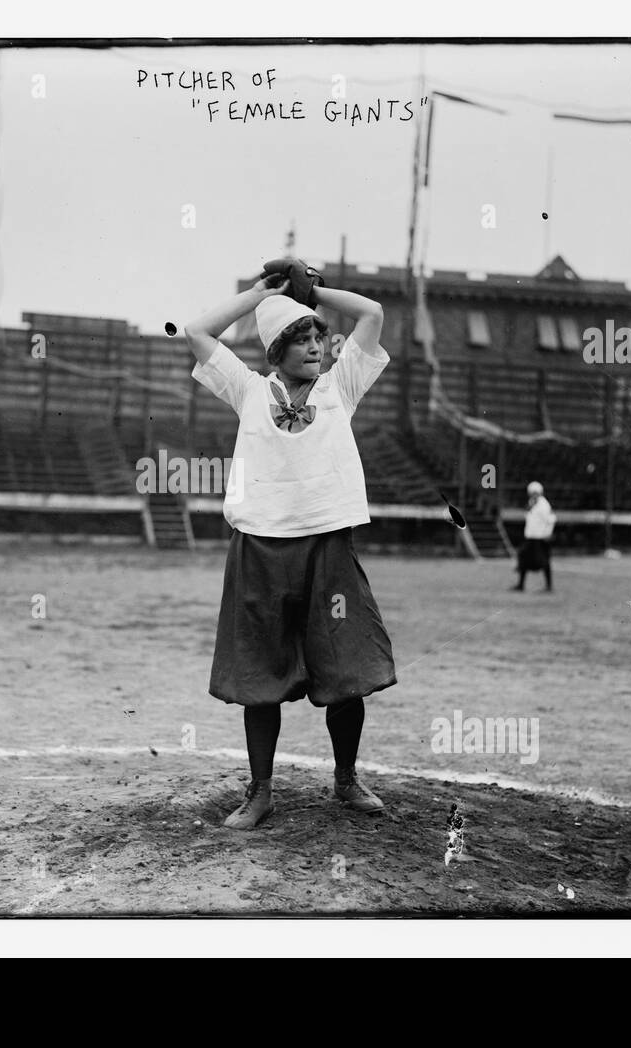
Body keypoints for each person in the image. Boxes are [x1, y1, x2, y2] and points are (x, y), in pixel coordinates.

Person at [183, 262, 397, 830]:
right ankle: (260, 793)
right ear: (274, 350)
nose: (314, 348)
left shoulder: (340, 387)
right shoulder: (248, 390)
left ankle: (346, 781)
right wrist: (258, 294)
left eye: (318, 337)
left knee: (347, 668)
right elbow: (197, 331)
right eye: (299, 339)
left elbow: (372, 314)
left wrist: (312, 292)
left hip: (328, 547)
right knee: (259, 678)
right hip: (261, 550)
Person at [513, 481, 556, 592]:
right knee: (523, 559)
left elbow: (551, 520)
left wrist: (548, 533)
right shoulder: (532, 503)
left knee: (544, 562)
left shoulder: (544, 504)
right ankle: (520, 584)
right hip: (531, 537)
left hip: (540, 538)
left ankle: (548, 586)